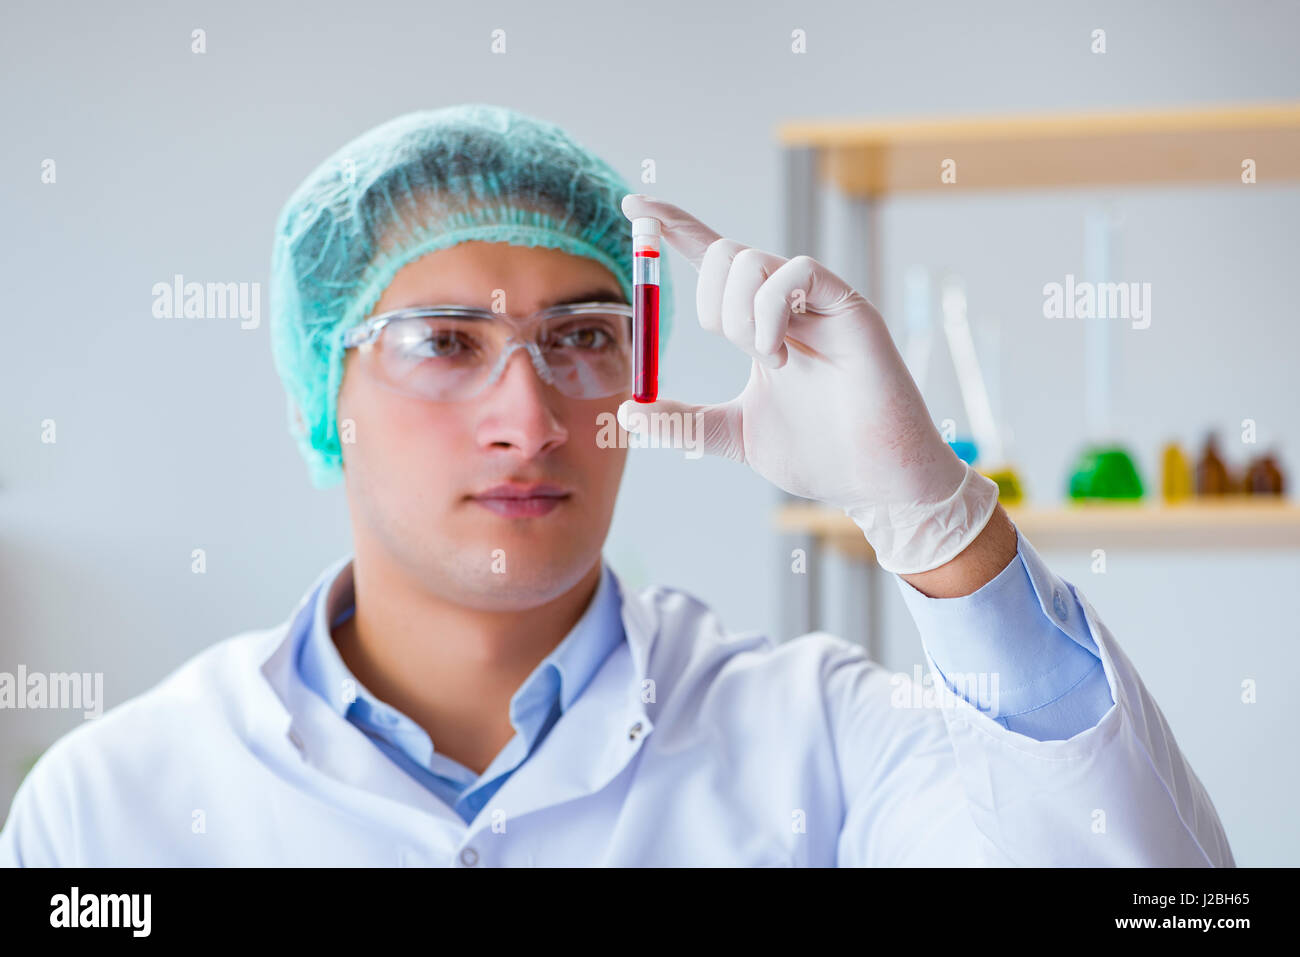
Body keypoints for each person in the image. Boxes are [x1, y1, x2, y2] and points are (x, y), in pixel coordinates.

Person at [0, 104, 1233, 866]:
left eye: (584, 337)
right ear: (326, 390)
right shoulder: (117, 806)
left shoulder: (819, 740)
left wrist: (939, 531)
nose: (530, 419)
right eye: (446, 343)